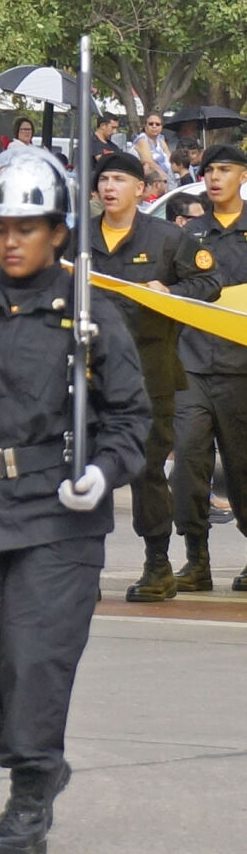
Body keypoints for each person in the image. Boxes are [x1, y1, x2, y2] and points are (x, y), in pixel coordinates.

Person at [0, 145, 148, 854]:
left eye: (26, 227)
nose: (10, 241)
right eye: (0, 228)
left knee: (33, 658)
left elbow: (130, 417)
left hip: (57, 512)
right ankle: (25, 751)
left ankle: (28, 789)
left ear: (57, 232)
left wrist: (104, 471)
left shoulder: (89, 316)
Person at [90, 152, 220, 601]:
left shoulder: (166, 238)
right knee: (85, 468)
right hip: (89, 374)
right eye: (104, 180)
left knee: (145, 469)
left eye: (119, 179)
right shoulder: (80, 239)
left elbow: (208, 285)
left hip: (150, 374)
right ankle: (81, 565)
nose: (110, 187)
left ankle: (158, 564)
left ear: (141, 190)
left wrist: (170, 290)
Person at [169, 143, 247, 593]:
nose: (215, 177)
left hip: (242, 368)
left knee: (243, 468)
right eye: (209, 170)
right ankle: (196, 557)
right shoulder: (190, 233)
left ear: (243, 176)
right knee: (188, 462)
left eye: (225, 169)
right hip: (193, 365)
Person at [133, 112, 173, 184]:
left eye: (157, 124)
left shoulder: (160, 139)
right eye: (151, 124)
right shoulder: (142, 139)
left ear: (161, 127)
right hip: (153, 178)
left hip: (168, 175)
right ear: (145, 126)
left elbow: (171, 159)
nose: (154, 126)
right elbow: (149, 162)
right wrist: (167, 179)